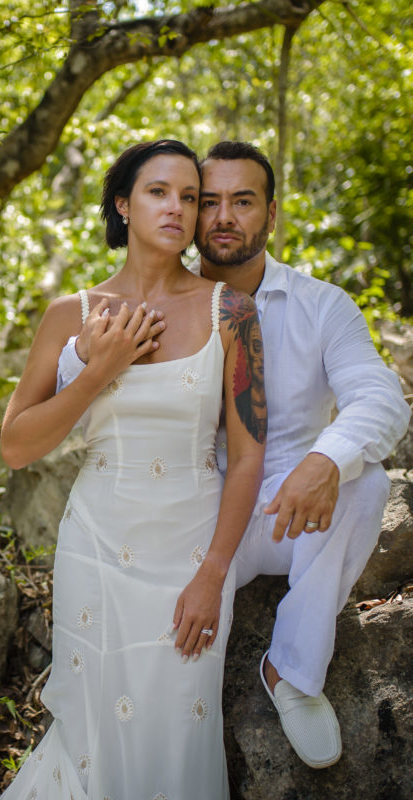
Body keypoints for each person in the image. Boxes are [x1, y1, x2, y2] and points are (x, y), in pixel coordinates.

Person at [56, 140, 411, 771]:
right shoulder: (146, 307)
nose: (221, 217)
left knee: (366, 482)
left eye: (242, 201)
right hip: (182, 520)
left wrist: (324, 459)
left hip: (282, 514)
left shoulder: (322, 305)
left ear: (271, 214)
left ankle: (293, 672)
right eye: (208, 201)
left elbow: (381, 398)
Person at [0, 140, 266, 800]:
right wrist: (96, 372)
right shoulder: (72, 314)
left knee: (180, 725)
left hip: (191, 550)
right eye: (158, 191)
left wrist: (214, 572)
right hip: (96, 546)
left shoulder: (230, 310)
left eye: (190, 196)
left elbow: (248, 455)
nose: (176, 207)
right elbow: (16, 446)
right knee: (93, 731)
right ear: (123, 204)